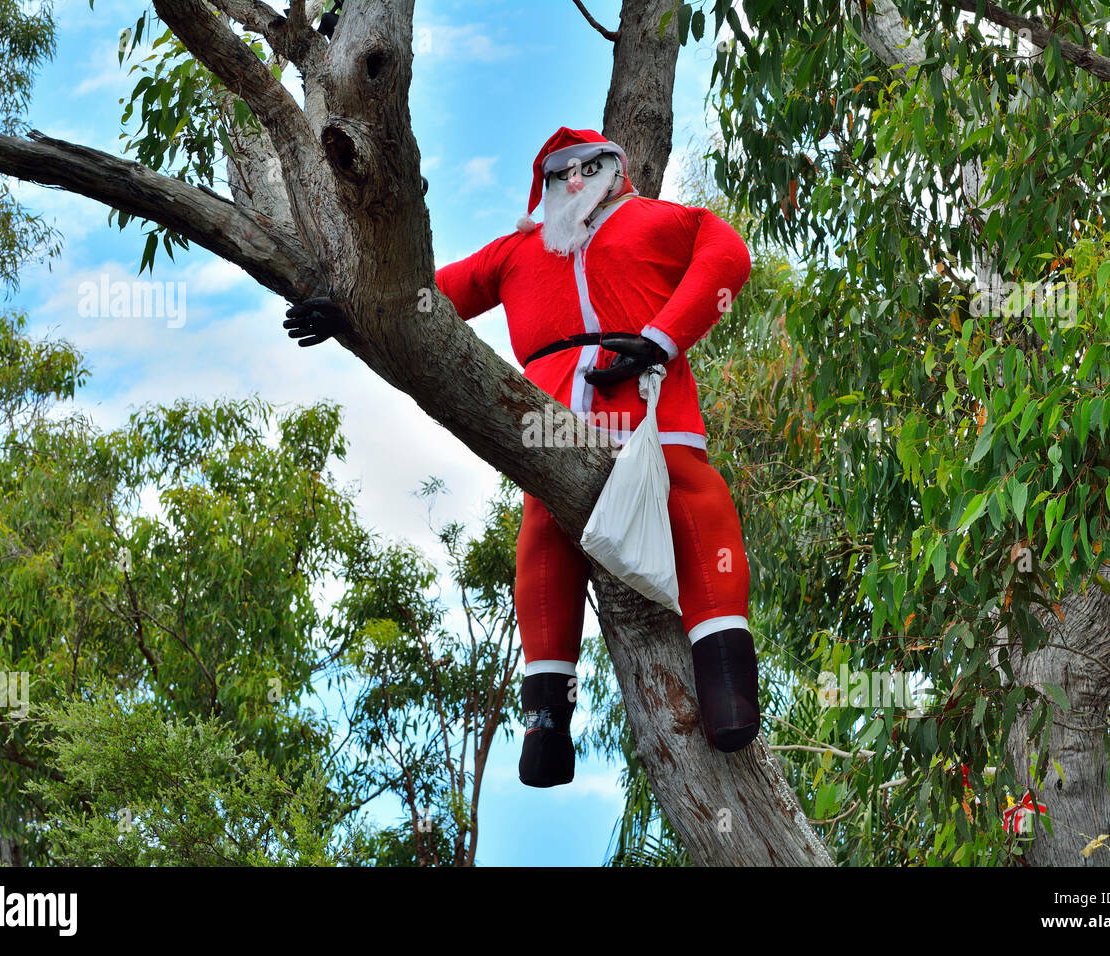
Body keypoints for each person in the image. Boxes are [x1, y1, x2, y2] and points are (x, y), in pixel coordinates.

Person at [284, 127, 760, 788]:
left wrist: (659, 339)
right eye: (558, 171)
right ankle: (546, 723)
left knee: (698, 502)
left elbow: (728, 258)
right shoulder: (517, 251)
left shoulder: (667, 221)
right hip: (551, 433)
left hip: (654, 414)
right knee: (542, 539)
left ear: (615, 169)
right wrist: (349, 309)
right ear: (541, 186)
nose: (573, 180)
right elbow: (424, 296)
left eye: (587, 166)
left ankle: (730, 684)